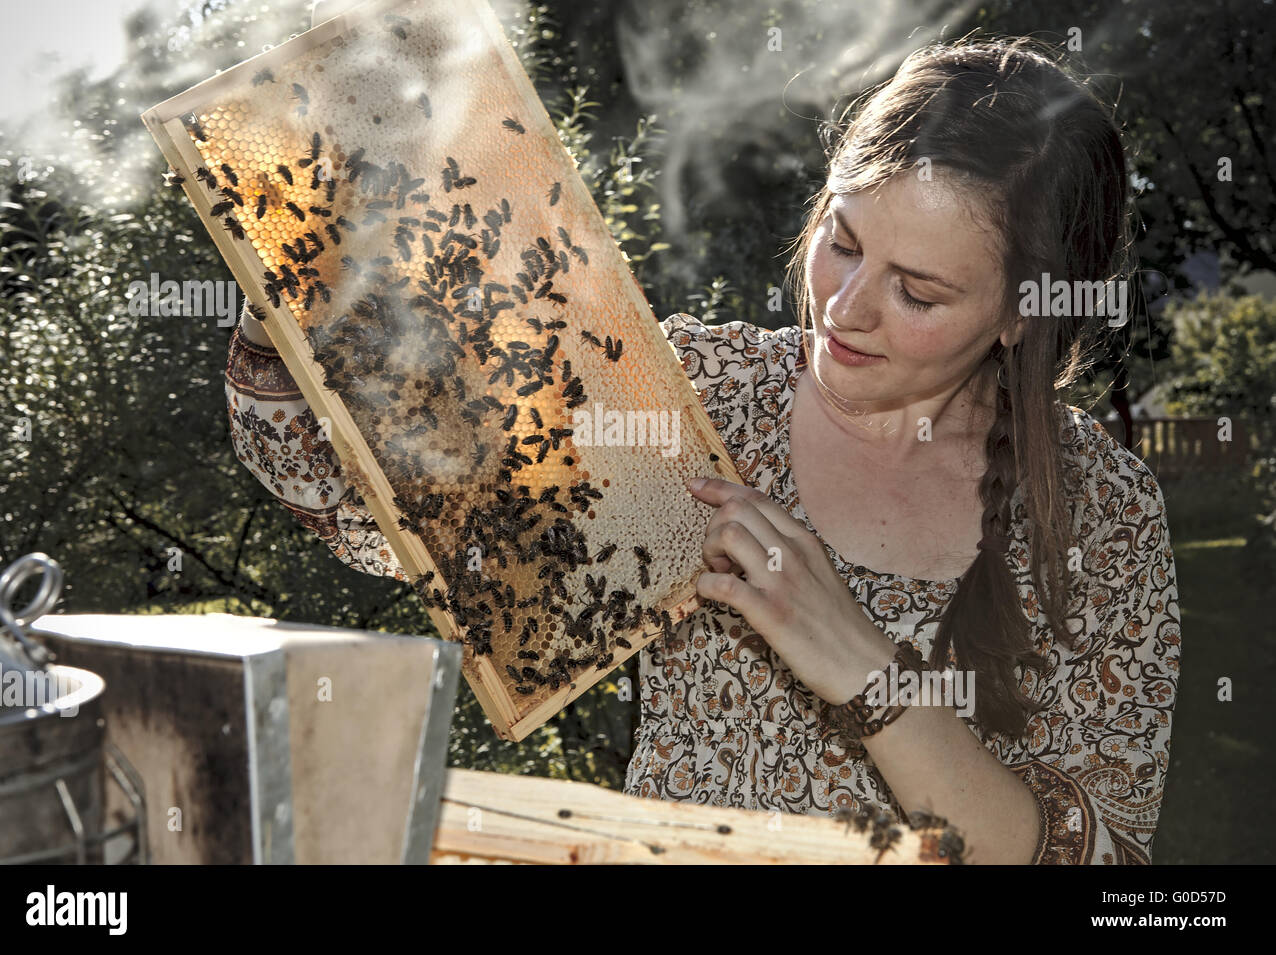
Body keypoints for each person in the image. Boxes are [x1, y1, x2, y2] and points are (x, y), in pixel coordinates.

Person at [224, 37, 1180, 864]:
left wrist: (867, 673)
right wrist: (294, 305)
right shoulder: (693, 394)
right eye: (841, 242)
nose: (845, 309)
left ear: (1022, 314)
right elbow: (392, 526)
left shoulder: (1106, 514)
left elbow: (1108, 864)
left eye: (918, 293)